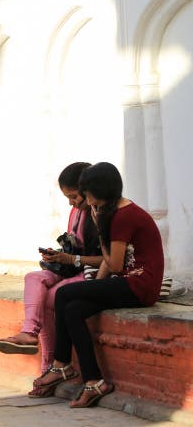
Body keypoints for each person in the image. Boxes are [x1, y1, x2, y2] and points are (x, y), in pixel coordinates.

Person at [31, 162, 164, 407]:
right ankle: (94, 382)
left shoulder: (124, 216)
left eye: (90, 199)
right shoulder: (114, 211)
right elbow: (111, 266)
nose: (88, 204)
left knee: (64, 294)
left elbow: (112, 263)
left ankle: (61, 365)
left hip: (139, 285)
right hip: (125, 282)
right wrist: (93, 291)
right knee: (73, 308)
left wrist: (101, 228)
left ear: (102, 192)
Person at [0, 163, 103, 374]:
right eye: (68, 198)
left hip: (90, 271)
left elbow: (108, 259)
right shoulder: (76, 212)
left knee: (49, 298)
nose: (71, 202)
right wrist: (58, 255)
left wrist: (71, 258)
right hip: (71, 266)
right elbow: (75, 244)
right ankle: (29, 334)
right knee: (33, 278)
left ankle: (49, 366)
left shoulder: (100, 213)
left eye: (74, 196)